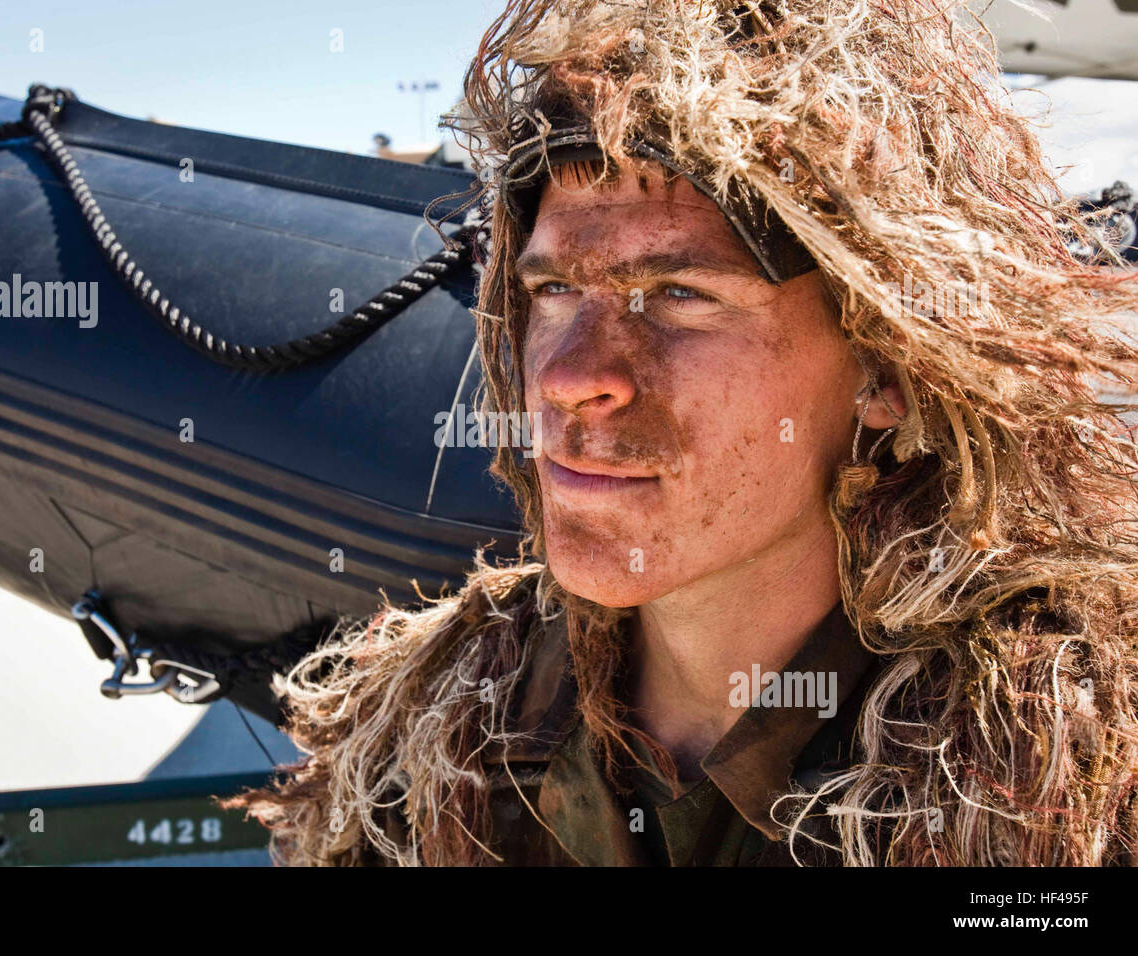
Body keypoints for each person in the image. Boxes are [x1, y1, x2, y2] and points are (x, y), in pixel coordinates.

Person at [223, 0, 1138, 865]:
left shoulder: (1074, 776)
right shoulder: (444, 726)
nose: (572, 376)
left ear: (890, 365)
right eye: (554, 291)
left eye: (680, 295)